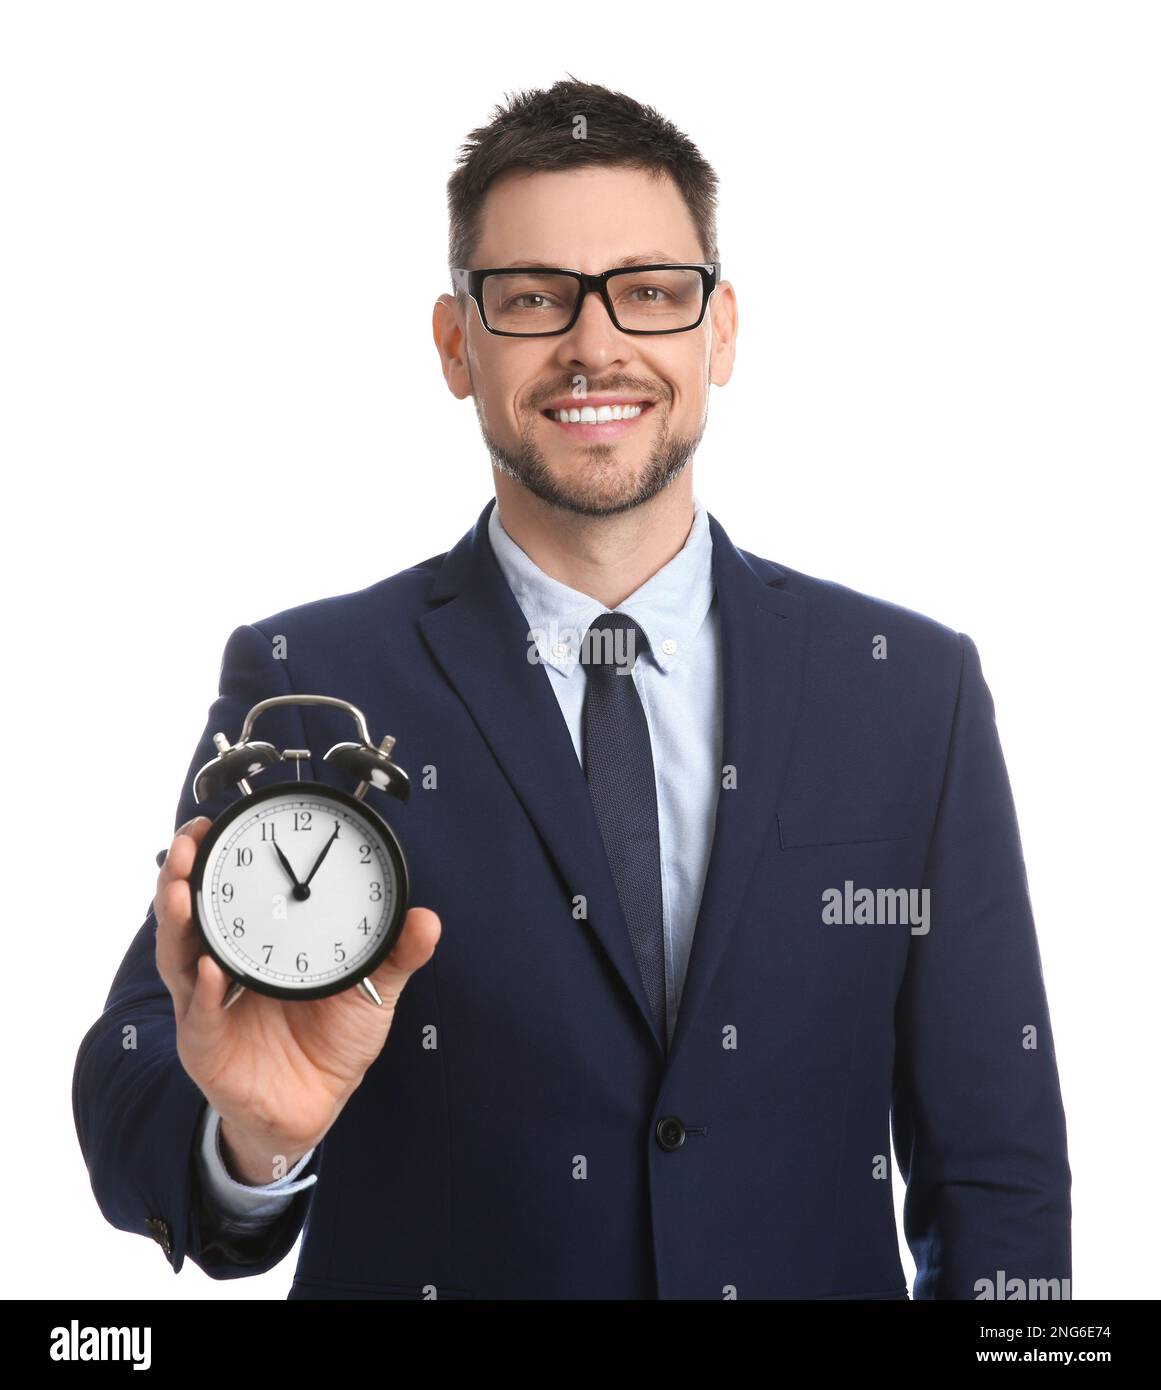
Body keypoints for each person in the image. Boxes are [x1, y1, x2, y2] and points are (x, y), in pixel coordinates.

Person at [72, 77, 1071, 1300]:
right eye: (535, 297)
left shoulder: (913, 690)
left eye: (649, 293)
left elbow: (1000, 1177)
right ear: (457, 345)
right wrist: (260, 1139)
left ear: (721, 332)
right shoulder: (310, 684)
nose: (596, 344)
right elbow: (134, 1090)